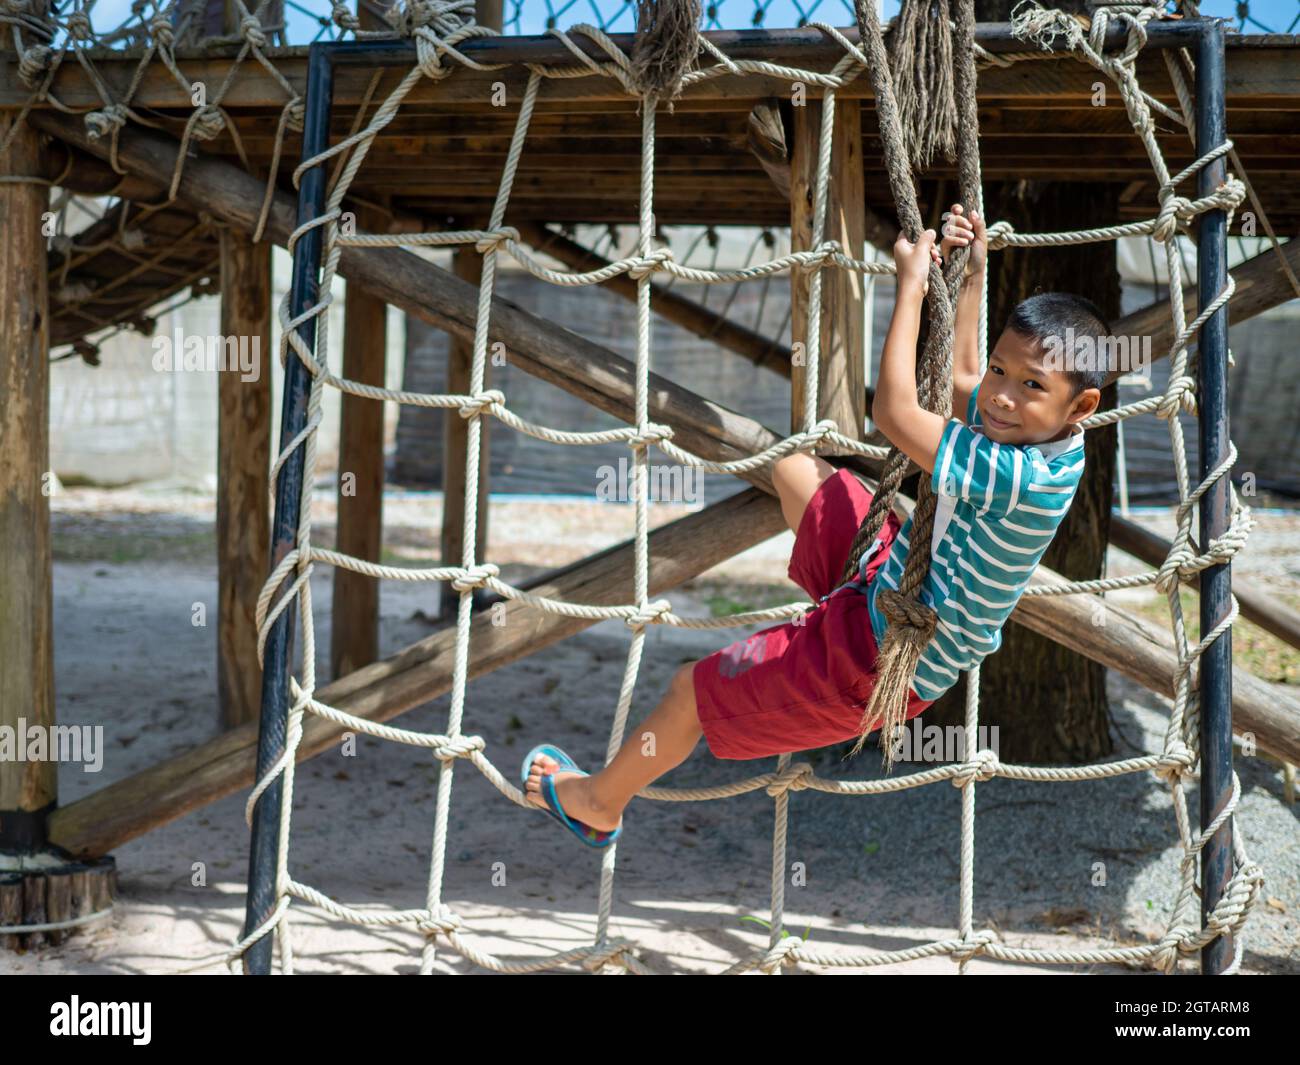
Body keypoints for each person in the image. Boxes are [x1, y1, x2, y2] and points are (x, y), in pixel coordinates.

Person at [521, 203, 1108, 848]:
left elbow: (893, 411)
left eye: (1030, 385)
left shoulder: (1018, 476)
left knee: (689, 691)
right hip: (888, 581)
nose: (1001, 396)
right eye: (1005, 370)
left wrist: (910, 285)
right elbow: (965, 378)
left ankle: (598, 803)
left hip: (881, 661)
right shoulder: (1041, 434)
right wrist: (971, 279)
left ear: (1081, 406)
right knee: (800, 472)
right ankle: (819, 618)